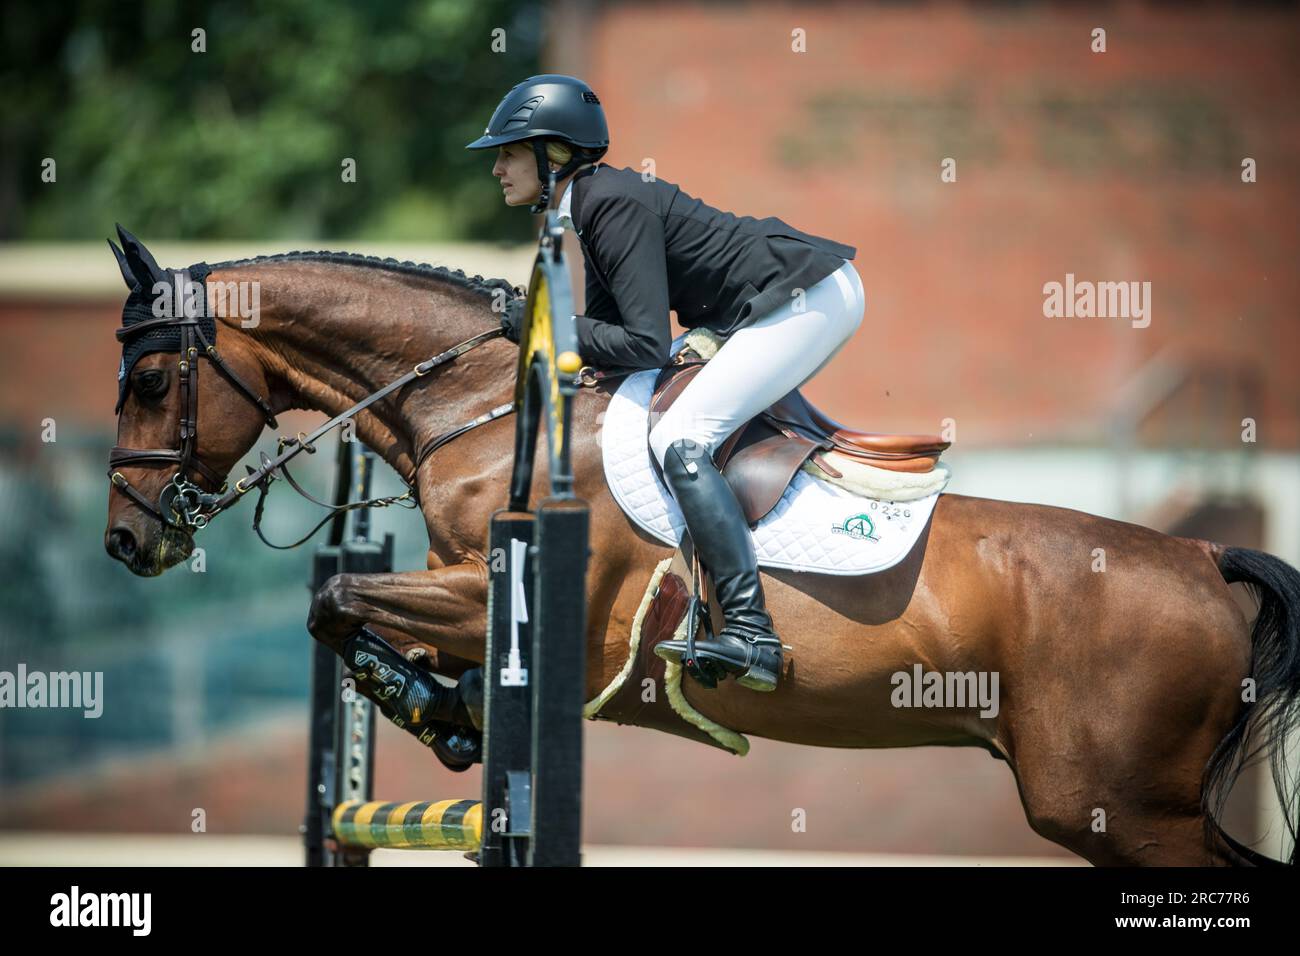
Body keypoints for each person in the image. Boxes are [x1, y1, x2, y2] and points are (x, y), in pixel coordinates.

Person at [466, 75, 865, 692]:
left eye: (509, 152)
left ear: (556, 155)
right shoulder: (589, 207)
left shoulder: (608, 202)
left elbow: (644, 344)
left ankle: (752, 632)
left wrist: (544, 325)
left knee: (681, 437)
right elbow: (608, 341)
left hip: (806, 295)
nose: (497, 169)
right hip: (776, 301)